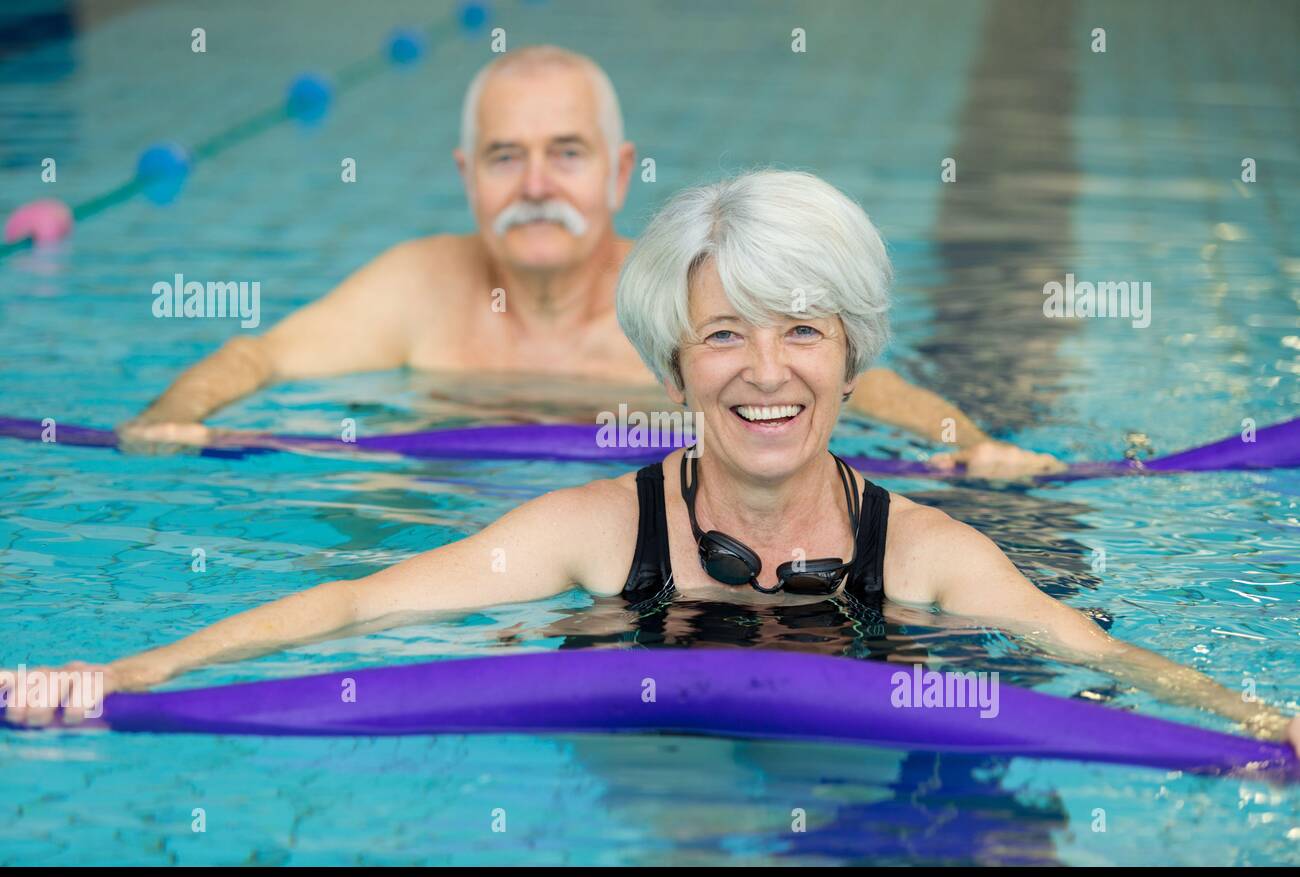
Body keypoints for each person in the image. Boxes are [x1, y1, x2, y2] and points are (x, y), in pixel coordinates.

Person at [9, 169, 1296, 757]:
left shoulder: (927, 550)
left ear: (851, 362)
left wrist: (1253, 721)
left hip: (865, 753)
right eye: (722, 334)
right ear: (672, 366)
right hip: (642, 754)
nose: (764, 370)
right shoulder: (588, 527)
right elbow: (357, 605)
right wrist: (125, 673)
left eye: (803, 332)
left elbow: (1090, 654)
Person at [117, 45, 1062, 479]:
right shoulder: (419, 283)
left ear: (616, 172)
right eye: (505, 156)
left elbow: (860, 383)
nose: (537, 184)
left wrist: (968, 443)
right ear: (468, 176)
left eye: (566, 154)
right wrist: (172, 418)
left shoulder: (683, 297)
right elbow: (261, 359)